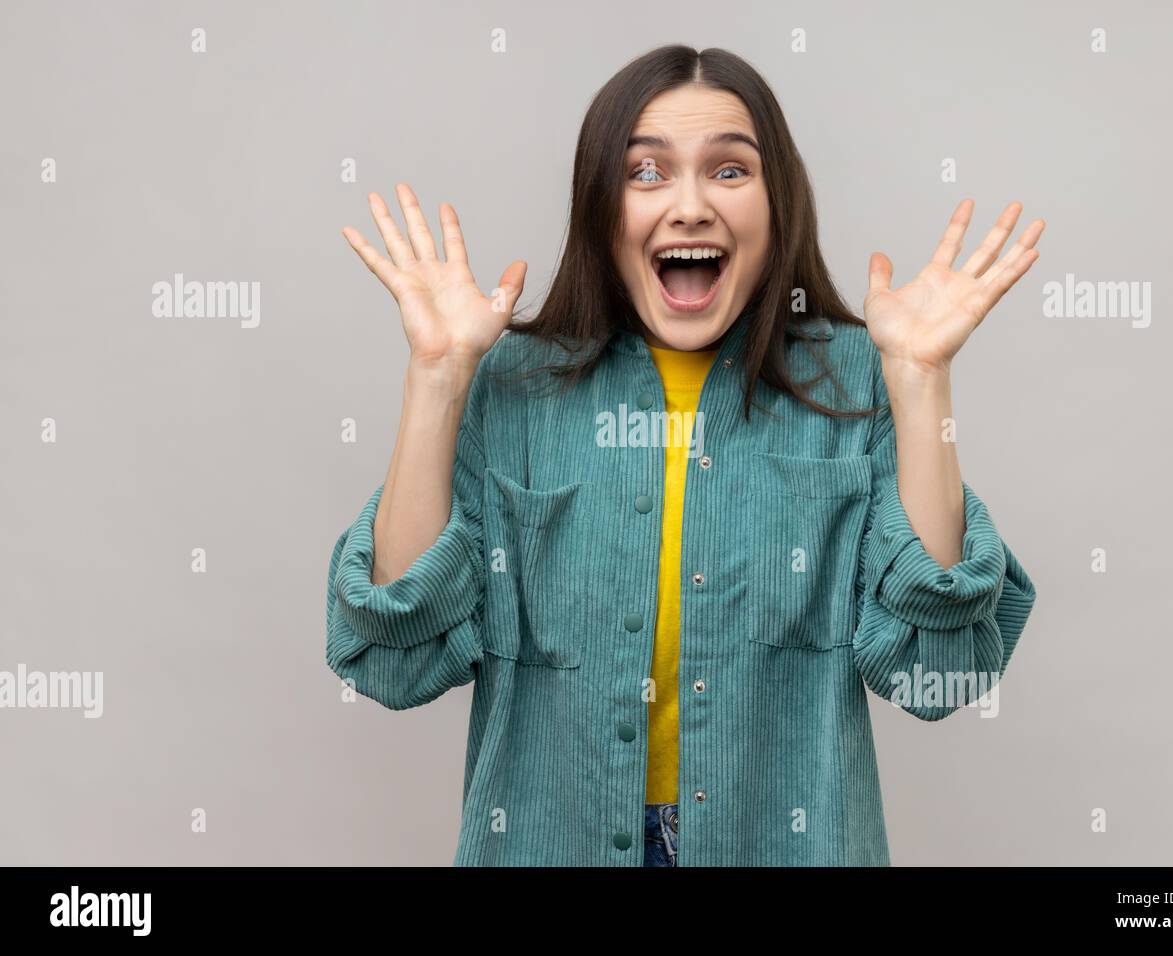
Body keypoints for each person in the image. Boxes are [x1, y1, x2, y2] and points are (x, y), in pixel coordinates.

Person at [326, 44, 1041, 867]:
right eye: (646, 173)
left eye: (730, 171)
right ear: (602, 206)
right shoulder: (515, 386)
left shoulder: (856, 380)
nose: (691, 206)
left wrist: (919, 380)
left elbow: (937, 666)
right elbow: (392, 661)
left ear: (778, 204)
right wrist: (439, 377)